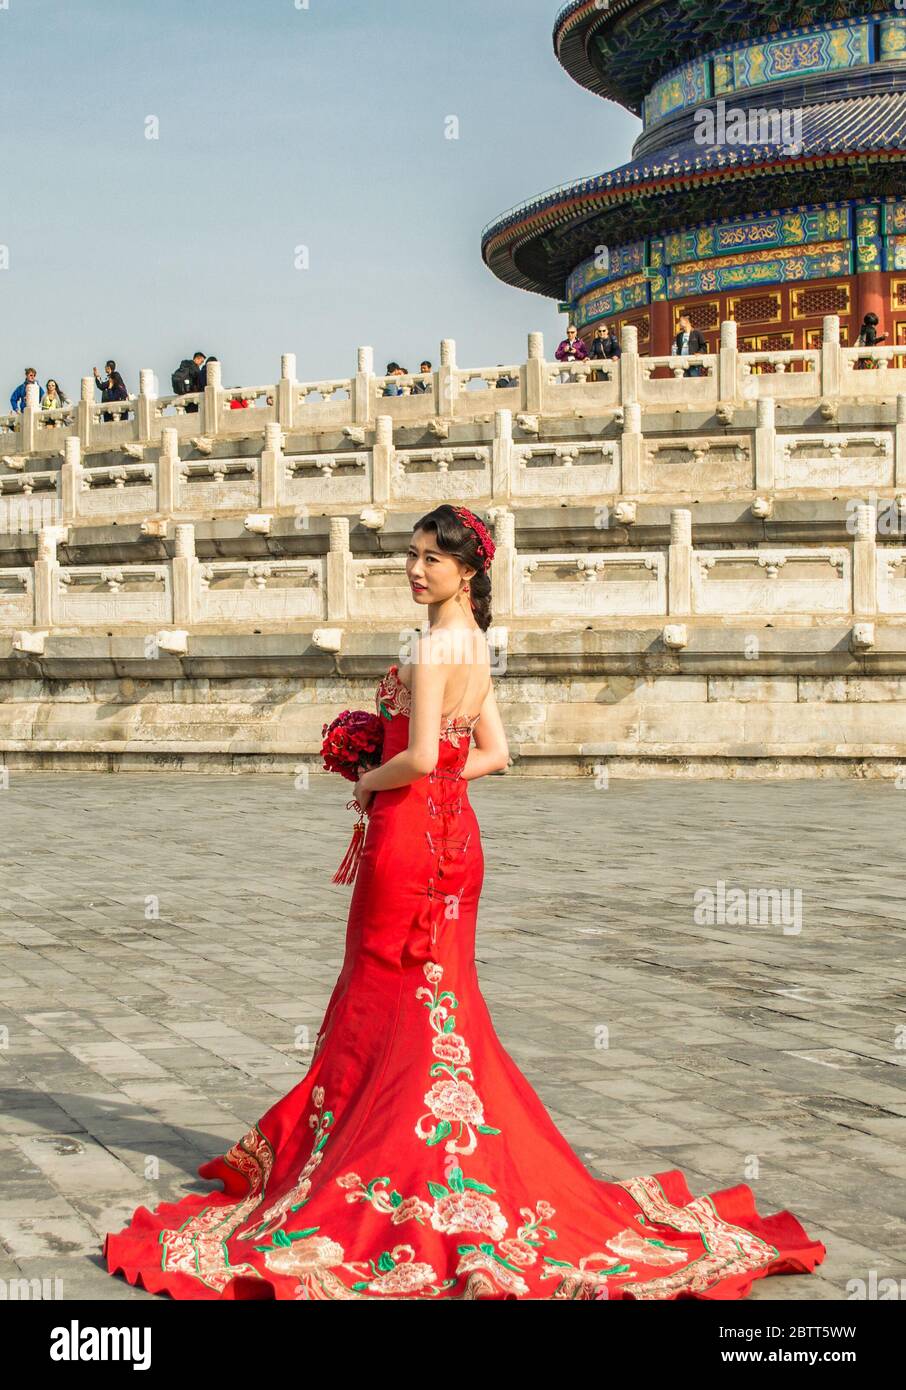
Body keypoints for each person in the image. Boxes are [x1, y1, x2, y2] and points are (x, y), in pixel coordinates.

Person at [103, 500, 828, 1301]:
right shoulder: (477, 643)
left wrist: (363, 779)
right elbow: (495, 754)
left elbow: (415, 754)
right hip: (458, 846)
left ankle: (385, 1172)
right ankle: (444, 1164)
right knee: (437, 1008)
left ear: (468, 570)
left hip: (410, 844)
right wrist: (423, 775)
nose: (416, 570)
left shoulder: (427, 645)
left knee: (388, 1003)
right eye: (411, 557)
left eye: (431, 560)